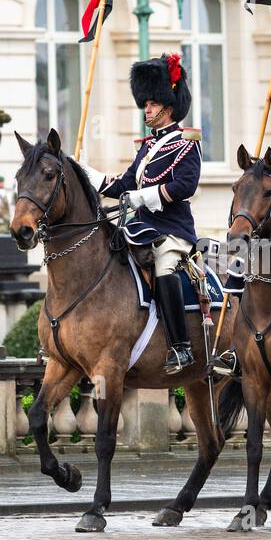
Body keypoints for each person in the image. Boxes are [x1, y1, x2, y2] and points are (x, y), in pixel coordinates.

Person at [79, 52, 201, 374]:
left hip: (173, 230)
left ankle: (181, 347)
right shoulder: (147, 147)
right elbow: (121, 185)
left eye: (151, 103)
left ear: (168, 105)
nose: (145, 109)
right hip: (141, 227)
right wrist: (80, 171)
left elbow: (184, 187)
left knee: (164, 267)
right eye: (144, 103)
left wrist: (143, 197)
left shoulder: (187, 144)